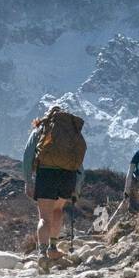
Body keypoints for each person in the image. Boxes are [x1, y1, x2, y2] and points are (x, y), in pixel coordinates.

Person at [22, 105, 87, 261]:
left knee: (44, 217)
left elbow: (27, 155)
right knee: (57, 211)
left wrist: (28, 181)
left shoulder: (41, 129)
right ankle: (53, 248)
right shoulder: (72, 132)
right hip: (67, 176)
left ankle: (42, 253)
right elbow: (79, 165)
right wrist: (77, 188)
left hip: (46, 174)